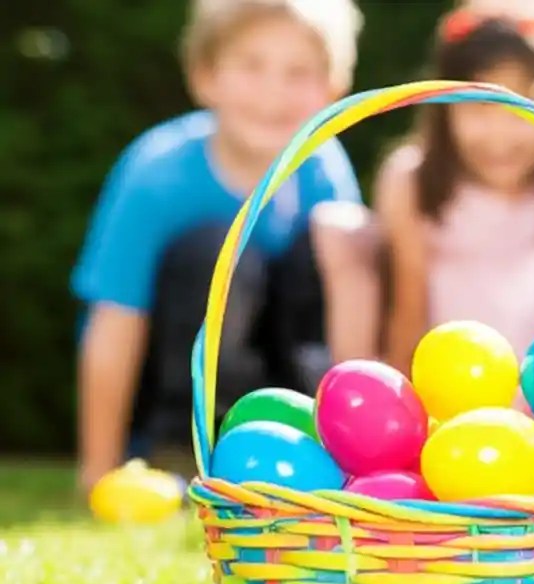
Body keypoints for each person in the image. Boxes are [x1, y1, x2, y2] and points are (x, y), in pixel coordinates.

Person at [71, 0, 369, 490]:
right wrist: (97, 470)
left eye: (299, 72)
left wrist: (358, 456)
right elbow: (116, 324)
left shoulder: (323, 170)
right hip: (176, 376)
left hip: (275, 383)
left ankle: (300, 451)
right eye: (252, 66)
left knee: (327, 244)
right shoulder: (157, 171)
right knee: (216, 252)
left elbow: (348, 304)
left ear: (333, 91)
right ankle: (181, 450)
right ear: (205, 76)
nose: (274, 92)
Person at [356, 4, 534, 376]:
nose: (500, 133)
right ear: (445, 107)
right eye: (480, 106)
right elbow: (408, 313)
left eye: (524, 105)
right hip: (450, 389)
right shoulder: (411, 179)